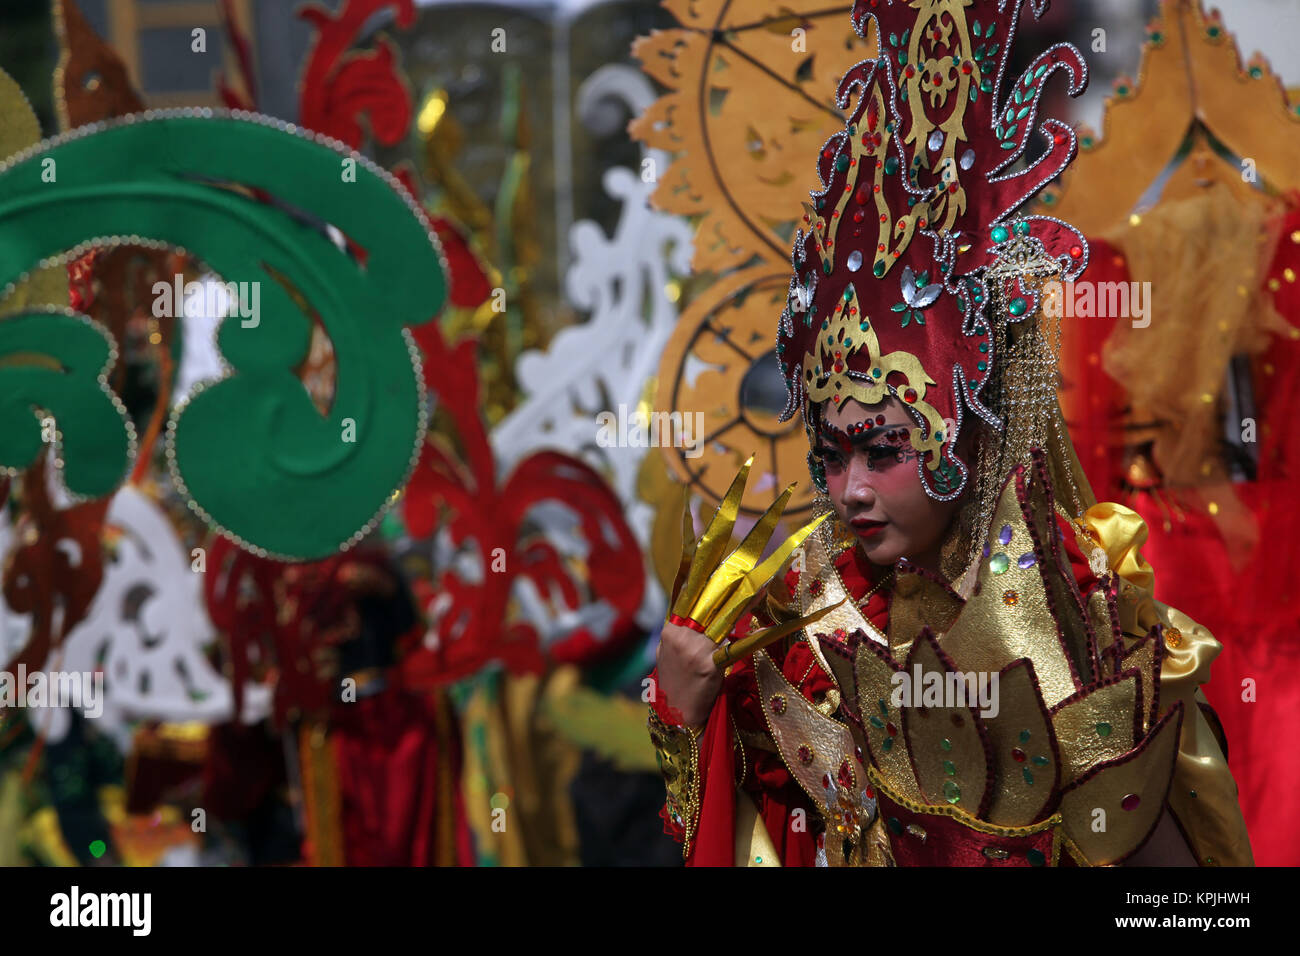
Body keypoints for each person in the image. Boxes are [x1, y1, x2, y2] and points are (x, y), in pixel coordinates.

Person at [647, 0, 1253, 867]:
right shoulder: (812, 623)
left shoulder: (1088, 634)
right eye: (833, 453)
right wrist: (685, 722)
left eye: (885, 449)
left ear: (975, 440)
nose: (850, 488)